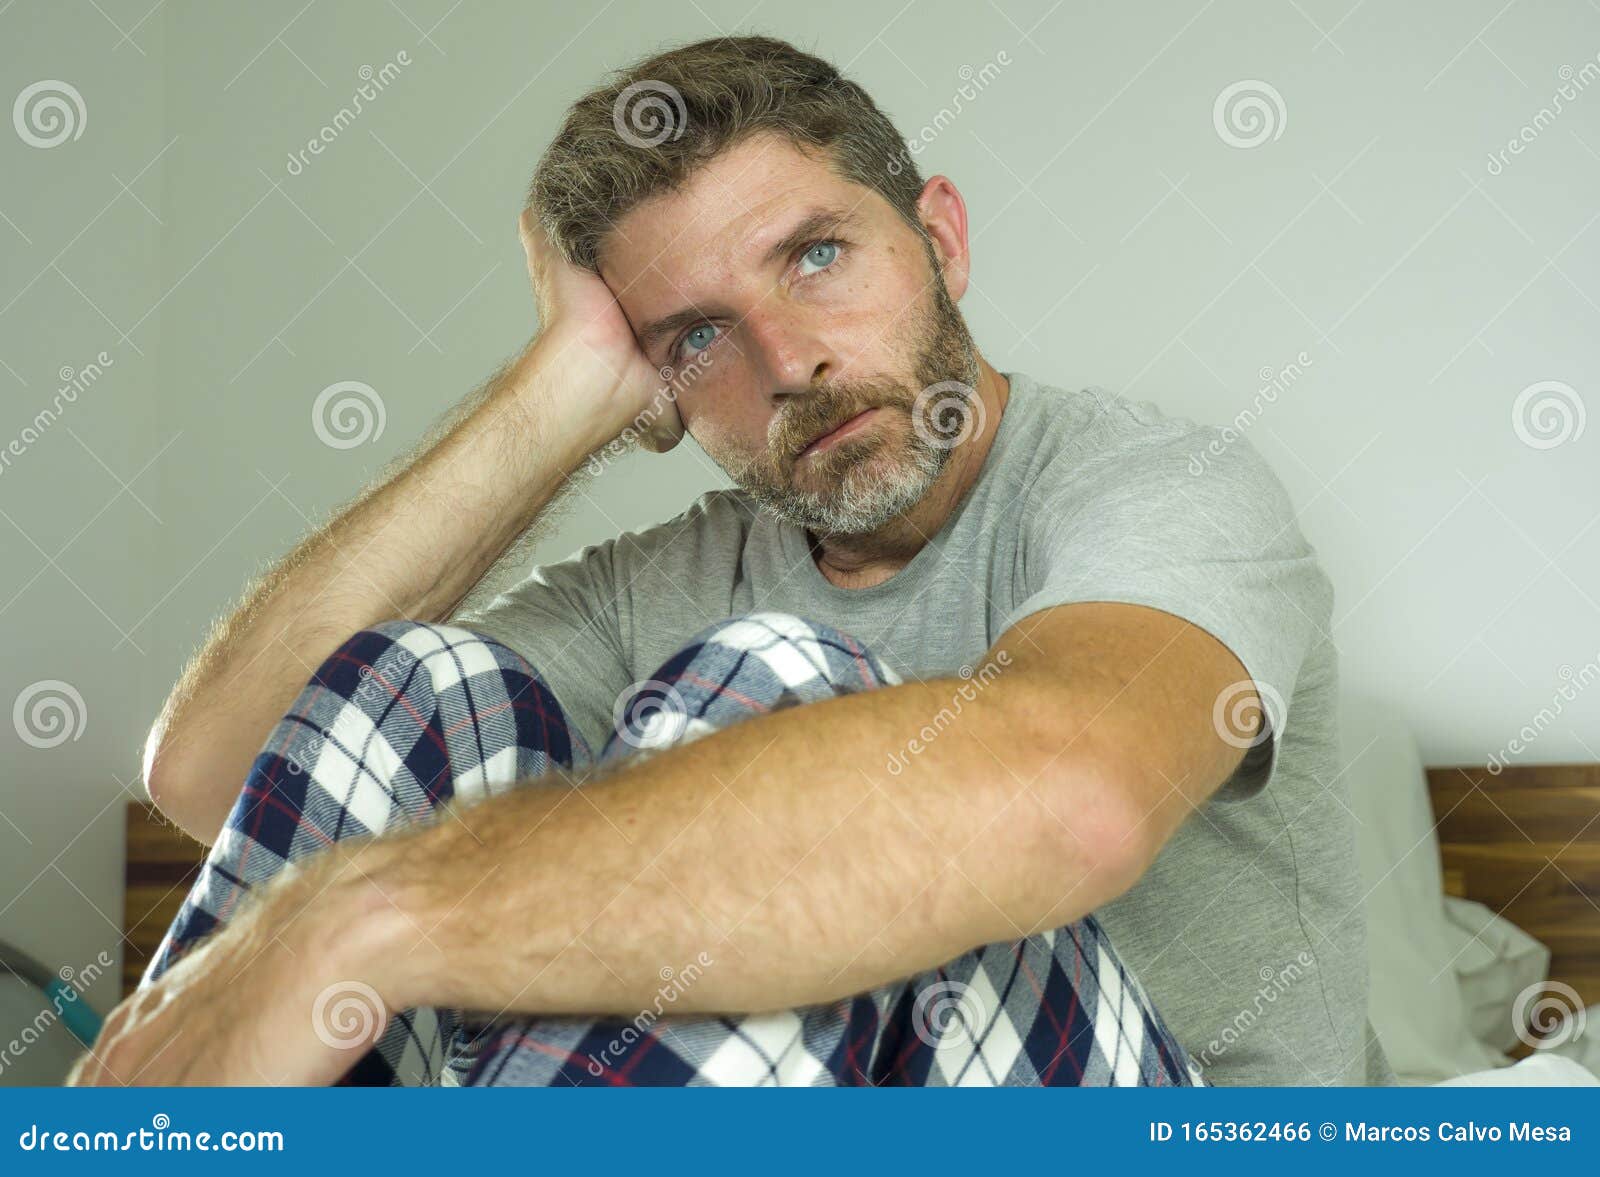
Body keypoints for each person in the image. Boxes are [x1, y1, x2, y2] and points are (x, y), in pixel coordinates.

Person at [70, 34, 1390, 1087]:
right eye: (699, 337)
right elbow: (229, 772)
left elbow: (1073, 802)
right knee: (421, 683)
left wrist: (361, 919)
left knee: (775, 686)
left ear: (941, 237)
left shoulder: (1160, 484)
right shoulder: (668, 574)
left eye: (818, 255)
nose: (788, 363)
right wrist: (557, 393)